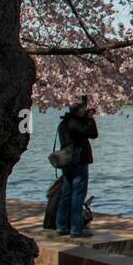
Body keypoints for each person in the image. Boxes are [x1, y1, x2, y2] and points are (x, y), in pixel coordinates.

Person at [55, 95, 98, 238]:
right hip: (79, 161)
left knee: (66, 195)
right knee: (78, 195)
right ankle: (76, 229)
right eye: (83, 109)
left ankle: (61, 226)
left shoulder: (63, 123)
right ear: (79, 110)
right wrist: (90, 119)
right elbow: (93, 134)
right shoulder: (76, 123)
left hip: (66, 162)